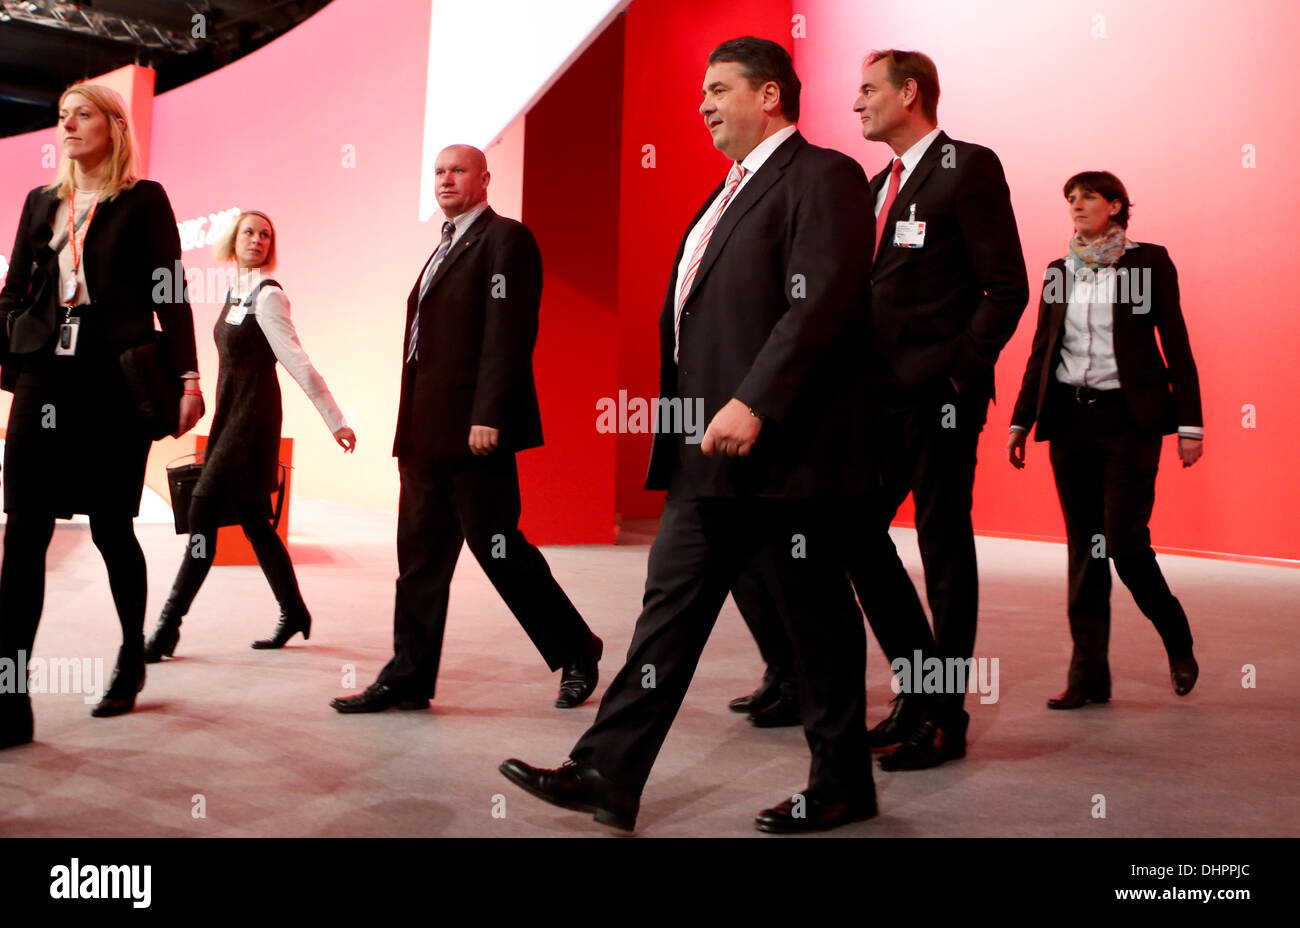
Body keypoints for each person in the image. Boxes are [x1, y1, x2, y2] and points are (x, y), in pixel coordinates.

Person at [499, 37, 878, 834]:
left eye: (717, 89)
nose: (702, 105)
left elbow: (822, 302)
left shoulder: (825, 176)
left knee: (815, 620)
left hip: (786, 454)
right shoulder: (726, 193)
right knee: (665, 616)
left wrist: (756, 402)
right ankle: (606, 772)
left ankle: (842, 784)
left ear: (769, 95)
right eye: (701, 92)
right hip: (705, 458)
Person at [330, 144, 601, 715]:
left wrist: (489, 414)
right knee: (419, 562)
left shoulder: (506, 239)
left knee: (498, 549)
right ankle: (407, 678)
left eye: (458, 170)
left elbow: (509, 332)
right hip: (423, 435)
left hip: (474, 433)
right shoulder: (443, 246)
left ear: (484, 179)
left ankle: (577, 649)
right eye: (438, 171)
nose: (446, 179)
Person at [0, 83, 201, 746]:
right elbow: (14, 290)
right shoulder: (41, 202)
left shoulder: (143, 200)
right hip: (43, 377)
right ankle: (9, 697)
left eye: (82, 114)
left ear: (114, 126)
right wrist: (13, 340)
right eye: (62, 116)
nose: (68, 126)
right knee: (23, 532)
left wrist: (189, 377)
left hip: (114, 381)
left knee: (112, 528)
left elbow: (170, 289)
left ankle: (130, 656)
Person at [848, 49, 1028, 768]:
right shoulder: (874, 188)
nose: (857, 103)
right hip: (875, 399)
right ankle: (920, 688)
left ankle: (944, 718)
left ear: (909, 92)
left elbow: (1007, 287)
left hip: (940, 399)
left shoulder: (967, 167)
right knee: (856, 534)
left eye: (869, 89)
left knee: (943, 547)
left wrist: (958, 374)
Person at [1008, 171, 1202, 708]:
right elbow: (1043, 348)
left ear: (1115, 206)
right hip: (1070, 421)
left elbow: (1176, 341)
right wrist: (1021, 421)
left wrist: (1190, 423)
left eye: (1088, 197)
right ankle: (1088, 675)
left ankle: (1177, 637)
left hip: (1129, 421)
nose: (1076, 205)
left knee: (1123, 544)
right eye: (1070, 198)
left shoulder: (1149, 263)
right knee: (1084, 550)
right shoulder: (1059, 271)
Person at [142, 211, 356, 661]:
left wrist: (335, 420)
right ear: (233, 240)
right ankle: (293, 611)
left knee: (202, 513)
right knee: (256, 523)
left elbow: (298, 361)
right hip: (231, 417)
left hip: (252, 422)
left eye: (265, 235)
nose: (257, 239)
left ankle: (166, 628)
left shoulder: (270, 296)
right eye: (249, 232)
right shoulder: (234, 290)